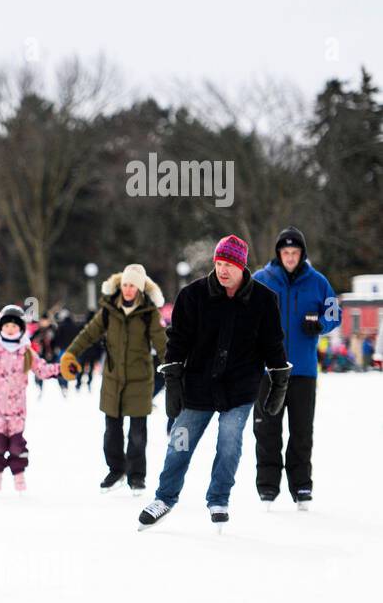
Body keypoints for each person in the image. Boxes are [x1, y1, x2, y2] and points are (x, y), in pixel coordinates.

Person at [138, 236, 290, 529]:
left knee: (229, 443)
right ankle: (165, 498)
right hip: (198, 386)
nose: (222, 271)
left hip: (240, 387)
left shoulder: (263, 299)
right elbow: (177, 342)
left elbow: (273, 345)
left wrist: (279, 383)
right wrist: (172, 381)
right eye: (218, 264)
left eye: (229, 265)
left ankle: (219, 498)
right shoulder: (192, 296)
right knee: (179, 443)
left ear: (242, 267)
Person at [250, 227, 340, 509]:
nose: (290, 257)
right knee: (267, 430)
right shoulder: (261, 280)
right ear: (279, 254)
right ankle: (267, 487)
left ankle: (301, 487)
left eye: (295, 252)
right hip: (268, 371)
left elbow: (335, 312)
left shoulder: (318, 281)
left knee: (301, 431)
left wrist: (320, 325)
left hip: (303, 371)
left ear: (302, 254)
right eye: (285, 252)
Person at [61, 265, 168, 495]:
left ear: (140, 289)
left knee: (138, 433)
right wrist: (71, 353)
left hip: (140, 379)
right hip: (112, 378)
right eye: (125, 285)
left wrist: (172, 365)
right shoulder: (109, 310)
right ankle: (116, 470)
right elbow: (88, 334)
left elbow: (161, 343)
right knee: (112, 431)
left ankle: (137, 476)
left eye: (133, 286)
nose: (128, 290)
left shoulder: (149, 313)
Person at [0, 305, 62, 491]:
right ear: (0, 328)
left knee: (16, 447)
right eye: (7, 326)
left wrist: (60, 369)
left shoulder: (26, 351)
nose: (10, 329)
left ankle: (19, 479)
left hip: (17, 410)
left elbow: (41, 368)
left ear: (21, 328)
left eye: (15, 326)